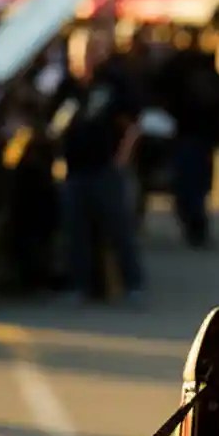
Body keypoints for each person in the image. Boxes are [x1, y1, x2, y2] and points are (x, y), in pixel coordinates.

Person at [52, 28, 145, 306]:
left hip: (105, 167)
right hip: (74, 168)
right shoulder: (66, 86)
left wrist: (121, 158)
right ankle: (80, 286)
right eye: (78, 53)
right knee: (75, 231)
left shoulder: (113, 82)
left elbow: (132, 125)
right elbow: (54, 125)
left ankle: (134, 284)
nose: (84, 58)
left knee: (118, 229)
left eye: (90, 51)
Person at [162, 29, 219, 249]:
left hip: (193, 135)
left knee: (191, 184)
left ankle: (195, 223)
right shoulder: (190, 71)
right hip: (192, 135)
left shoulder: (193, 71)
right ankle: (194, 223)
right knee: (192, 184)